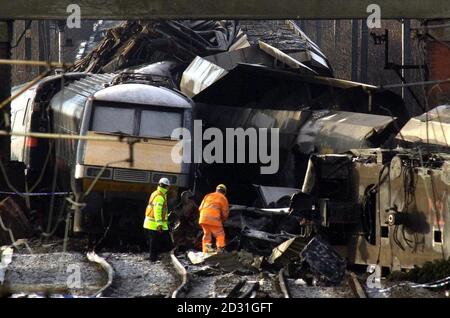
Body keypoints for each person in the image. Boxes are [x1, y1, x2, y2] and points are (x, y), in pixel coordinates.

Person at [143, 177, 173, 261]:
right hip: (154, 224)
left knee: (153, 242)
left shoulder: (156, 193)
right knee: (155, 242)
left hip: (149, 222)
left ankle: (153, 257)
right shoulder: (160, 196)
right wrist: (159, 224)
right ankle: (153, 258)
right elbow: (157, 211)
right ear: (167, 187)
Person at [198, 184, 229, 254]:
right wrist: (223, 221)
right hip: (213, 219)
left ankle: (206, 252)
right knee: (220, 235)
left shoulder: (208, 196)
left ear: (216, 190)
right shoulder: (223, 198)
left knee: (207, 235)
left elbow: (200, 208)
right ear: (224, 192)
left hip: (203, 218)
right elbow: (225, 213)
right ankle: (220, 251)